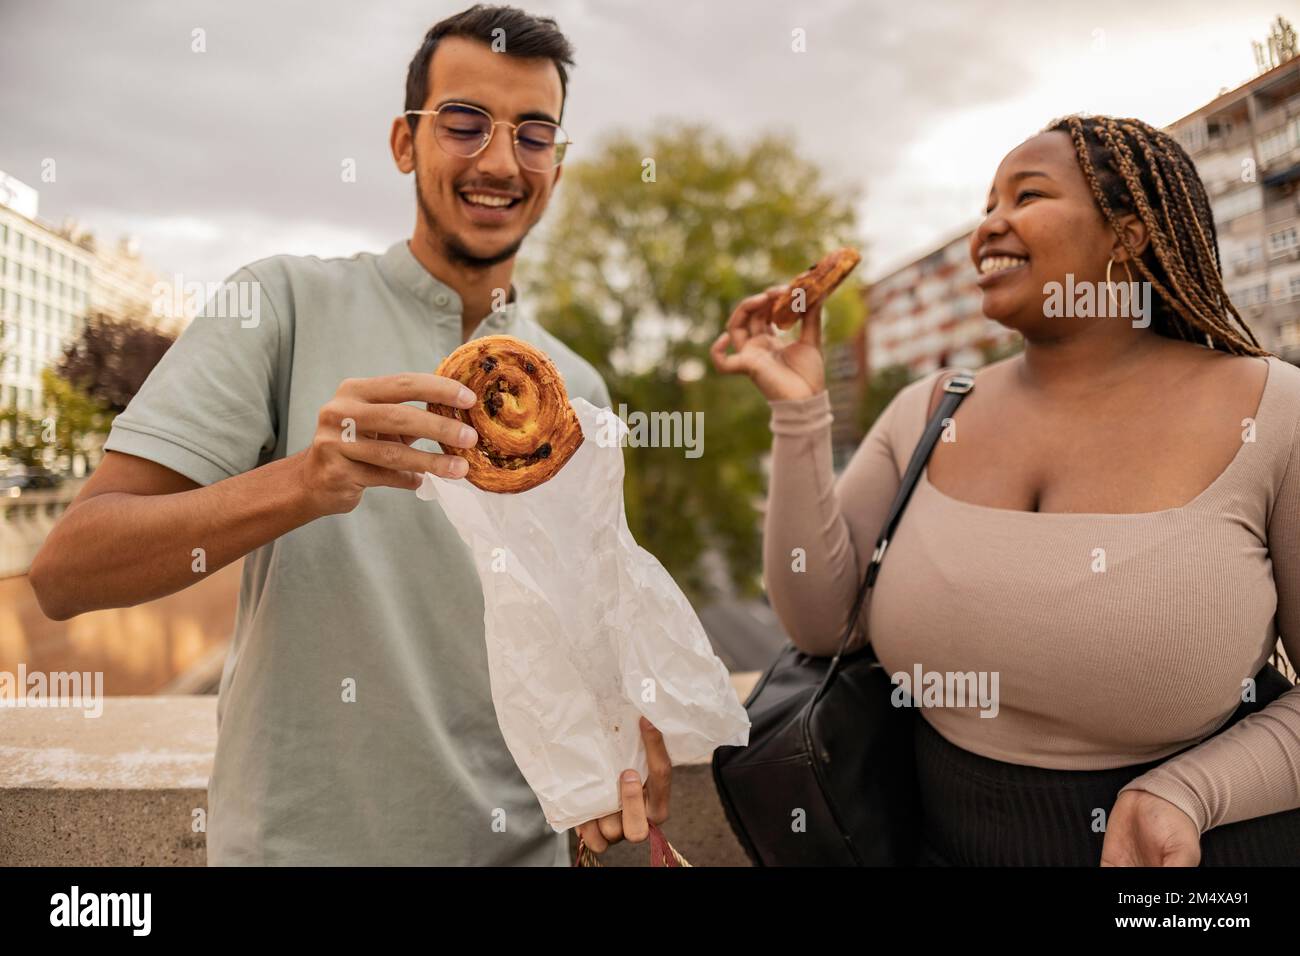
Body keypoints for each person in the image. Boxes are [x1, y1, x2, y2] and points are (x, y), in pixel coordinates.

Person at [30, 4, 668, 866]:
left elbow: (576, 638)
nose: (498, 160)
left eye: (533, 133)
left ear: (556, 164)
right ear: (405, 143)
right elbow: (67, 572)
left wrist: (624, 724)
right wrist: (301, 482)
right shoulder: (280, 306)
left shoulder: (575, 393)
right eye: (465, 123)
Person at [712, 114, 1300, 865]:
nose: (989, 226)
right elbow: (821, 625)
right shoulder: (929, 410)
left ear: (1129, 235)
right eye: (987, 205)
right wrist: (798, 410)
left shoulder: (1273, 410)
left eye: (1027, 197)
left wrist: (1192, 792)